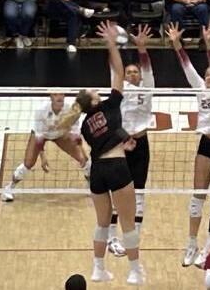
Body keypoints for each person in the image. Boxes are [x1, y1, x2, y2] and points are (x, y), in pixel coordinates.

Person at [57, 21, 144, 285]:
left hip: (97, 173)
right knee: (128, 223)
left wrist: (123, 140)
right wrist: (110, 45)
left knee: (102, 223)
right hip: (117, 168)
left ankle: (98, 269)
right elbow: (118, 72)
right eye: (93, 92)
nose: (96, 90)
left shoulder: (84, 124)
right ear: (94, 100)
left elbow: (101, 139)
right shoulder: (110, 105)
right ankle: (134, 271)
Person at [165, 22, 210, 269]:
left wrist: (209, 44)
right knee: (197, 196)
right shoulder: (199, 89)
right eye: (206, 75)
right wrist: (177, 45)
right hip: (206, 145)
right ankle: (191, 244)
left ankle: (208, 246)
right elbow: (187, 67)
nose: (208, 77)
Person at [106, 24, 155, 256]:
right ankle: (112, 237)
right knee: (118, 191)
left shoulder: (148, 88)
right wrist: (111, 45)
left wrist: (142, 48)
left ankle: (133, 237)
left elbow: (148, 69)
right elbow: (114, 70)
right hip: (122, 144)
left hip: (142, 144)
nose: (133, 74)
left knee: (139, 192)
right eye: (129, 72)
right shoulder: (120, 89)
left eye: (136, 72)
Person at [1, 93, 90, 201]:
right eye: (56, 95)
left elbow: (75, 131)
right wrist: (43, 157)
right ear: (51, 97)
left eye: (61, 94)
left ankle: (91, 186)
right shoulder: (41, 110)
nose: (59, 97)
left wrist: (81, 150)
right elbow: (39, 137)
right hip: (42, 134)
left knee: (84, 159)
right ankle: (9, 188)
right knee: (28, 164)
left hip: (60, 134)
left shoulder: (70, 109)